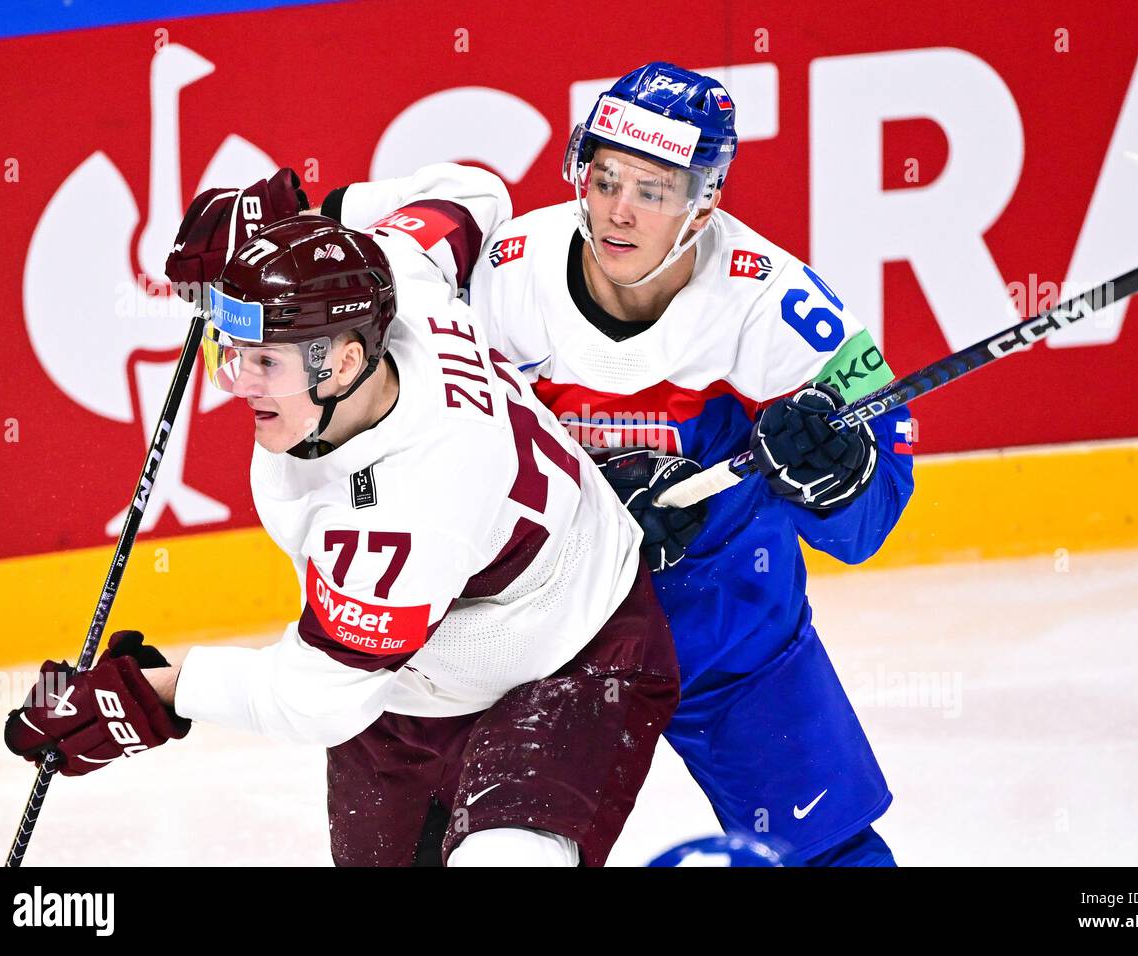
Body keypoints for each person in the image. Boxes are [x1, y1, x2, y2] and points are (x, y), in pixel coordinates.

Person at [318, 63, 916, 865]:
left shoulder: (782, 310)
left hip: (725, 629)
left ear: (705, 203)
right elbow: (415, 449)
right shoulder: (502, 282)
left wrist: (836, 475)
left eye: (654, 190)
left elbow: (870, 517)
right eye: (605, 179)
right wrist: (579, 516)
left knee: (828, 852)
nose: (619, 212)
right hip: (539, 636)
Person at [5, 175, 680, 868]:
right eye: (233, 353)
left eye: (265, 361)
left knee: (507, 859)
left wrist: (150, 695)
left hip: (574, 657)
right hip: (407, 679)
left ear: (346, 362)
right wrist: (305, 224)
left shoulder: (409, 508)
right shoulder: (396, 278)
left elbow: (316, 697)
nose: (240, 384)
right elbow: (472, 194)